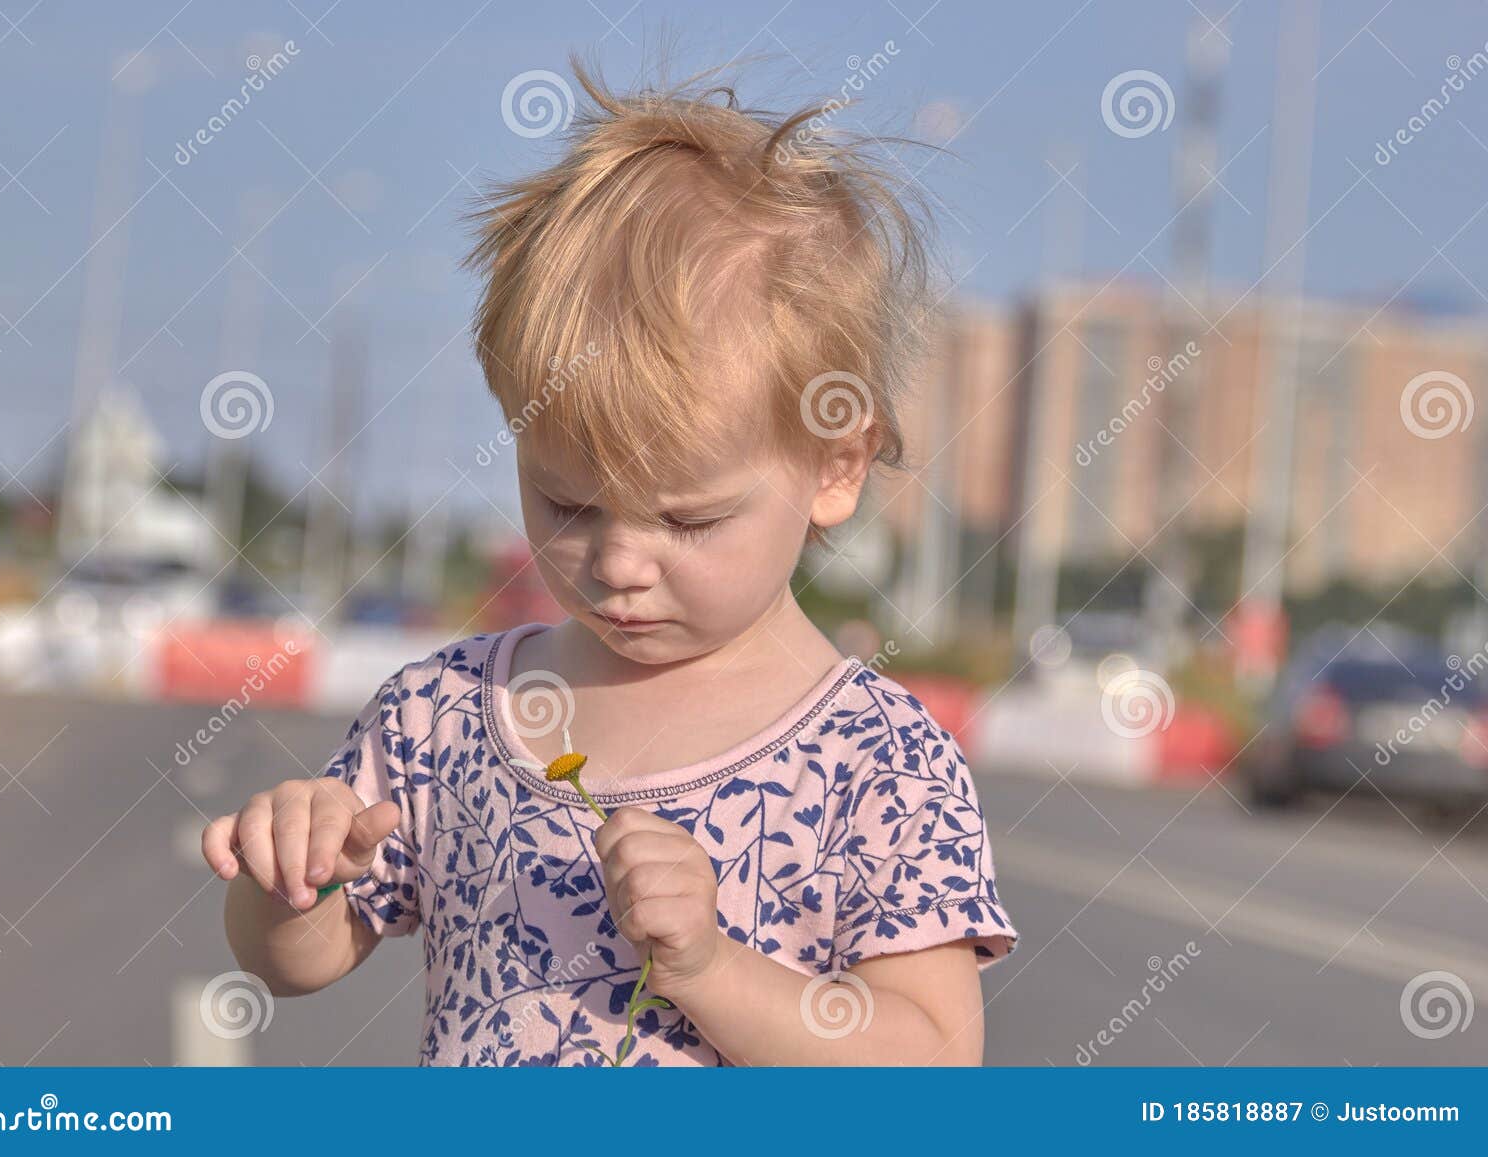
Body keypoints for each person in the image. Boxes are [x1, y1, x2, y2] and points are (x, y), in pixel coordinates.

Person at [203, 55, 1018, 1066]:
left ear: (836, 465)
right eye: (569, 503)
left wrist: (714, 967)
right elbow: (293, 960)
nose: (618, 562)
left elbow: (931, 1062)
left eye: (686, 520)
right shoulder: (444, 713)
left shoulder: (879, 758)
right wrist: (294, 876)